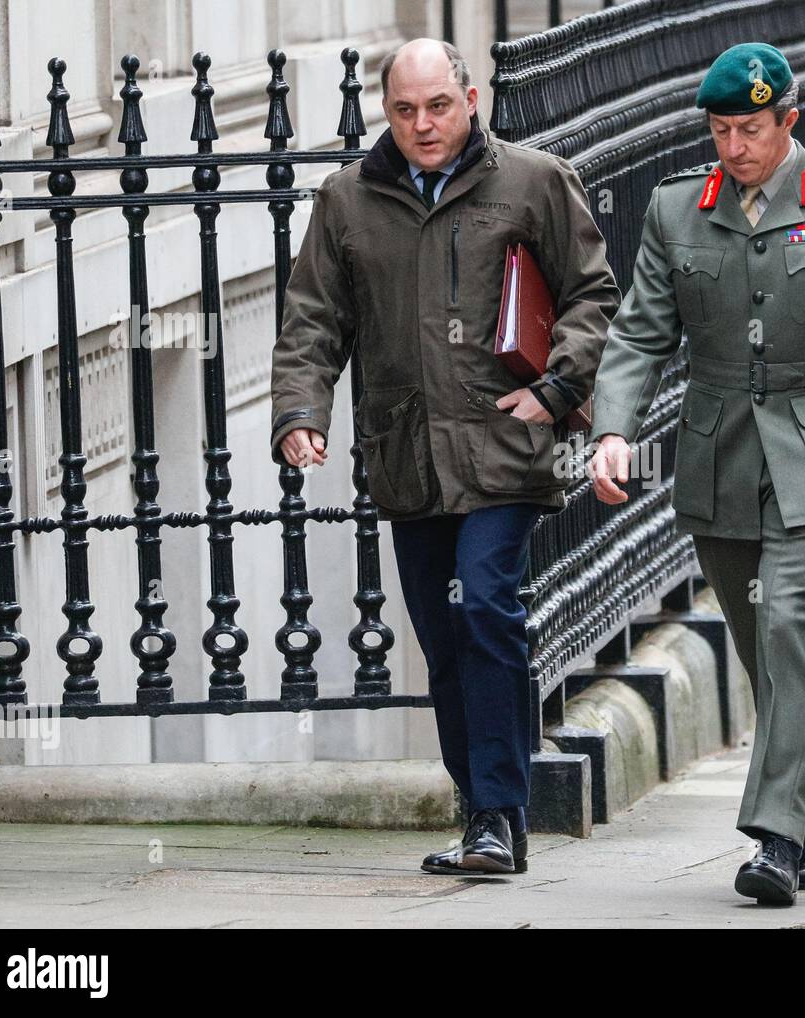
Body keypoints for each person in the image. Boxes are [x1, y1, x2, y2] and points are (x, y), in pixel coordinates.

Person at [270, 38, 619, 875]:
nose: (423, 126)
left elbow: (592, 292)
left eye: (438, 106)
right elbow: (314, 318)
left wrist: (558, 390)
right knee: (443, 634)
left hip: (504, 449)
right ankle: (481, 813)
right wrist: (299, 412)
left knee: (485, 607)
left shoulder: (534, 180)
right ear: (385, 113)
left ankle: (502, 809)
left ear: (472, 99)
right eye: (404, 110)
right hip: (409, 458)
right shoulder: (348, 201)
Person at [588, 42, 805, 905]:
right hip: (719, 455)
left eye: (750, 129)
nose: (734, 146)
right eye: (721, 129)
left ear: (789, 122)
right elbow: (638, 333)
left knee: (784, 632)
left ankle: (774, 839)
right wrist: (615, 430)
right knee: (761, 649)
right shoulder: (676, 211)